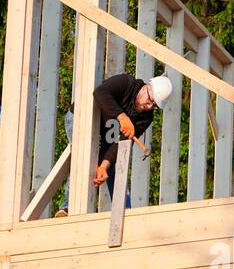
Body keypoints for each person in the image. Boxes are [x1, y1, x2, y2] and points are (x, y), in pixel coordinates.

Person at [55, 70, 173, 216]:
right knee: (85, 155)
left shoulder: (146, 118)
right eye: (150, 100)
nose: (149, 107)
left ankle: (125, 213)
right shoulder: (126, 83)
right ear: (146, 87)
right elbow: (100, 93)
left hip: (105, 134)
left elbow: (120, 144)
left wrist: (104, 165)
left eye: (154, 105)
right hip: (81, 117)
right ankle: (68, 208)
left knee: (113, 168)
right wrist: (122, 117)